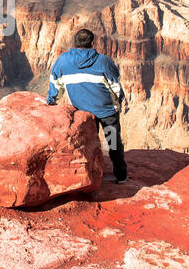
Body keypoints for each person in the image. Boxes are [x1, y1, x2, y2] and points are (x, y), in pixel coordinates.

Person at [45, 28, 128, 183]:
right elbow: (115, 87)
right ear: (92, 43)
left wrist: (52, 100)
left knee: (89, 145)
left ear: (75, 44)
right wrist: (119, 102)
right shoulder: (104, 61)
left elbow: (55, 85)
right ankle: (121, 175)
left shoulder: (62, 61)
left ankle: (90, 176)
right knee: (114, 142)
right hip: (107, 112)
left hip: (82, 113)